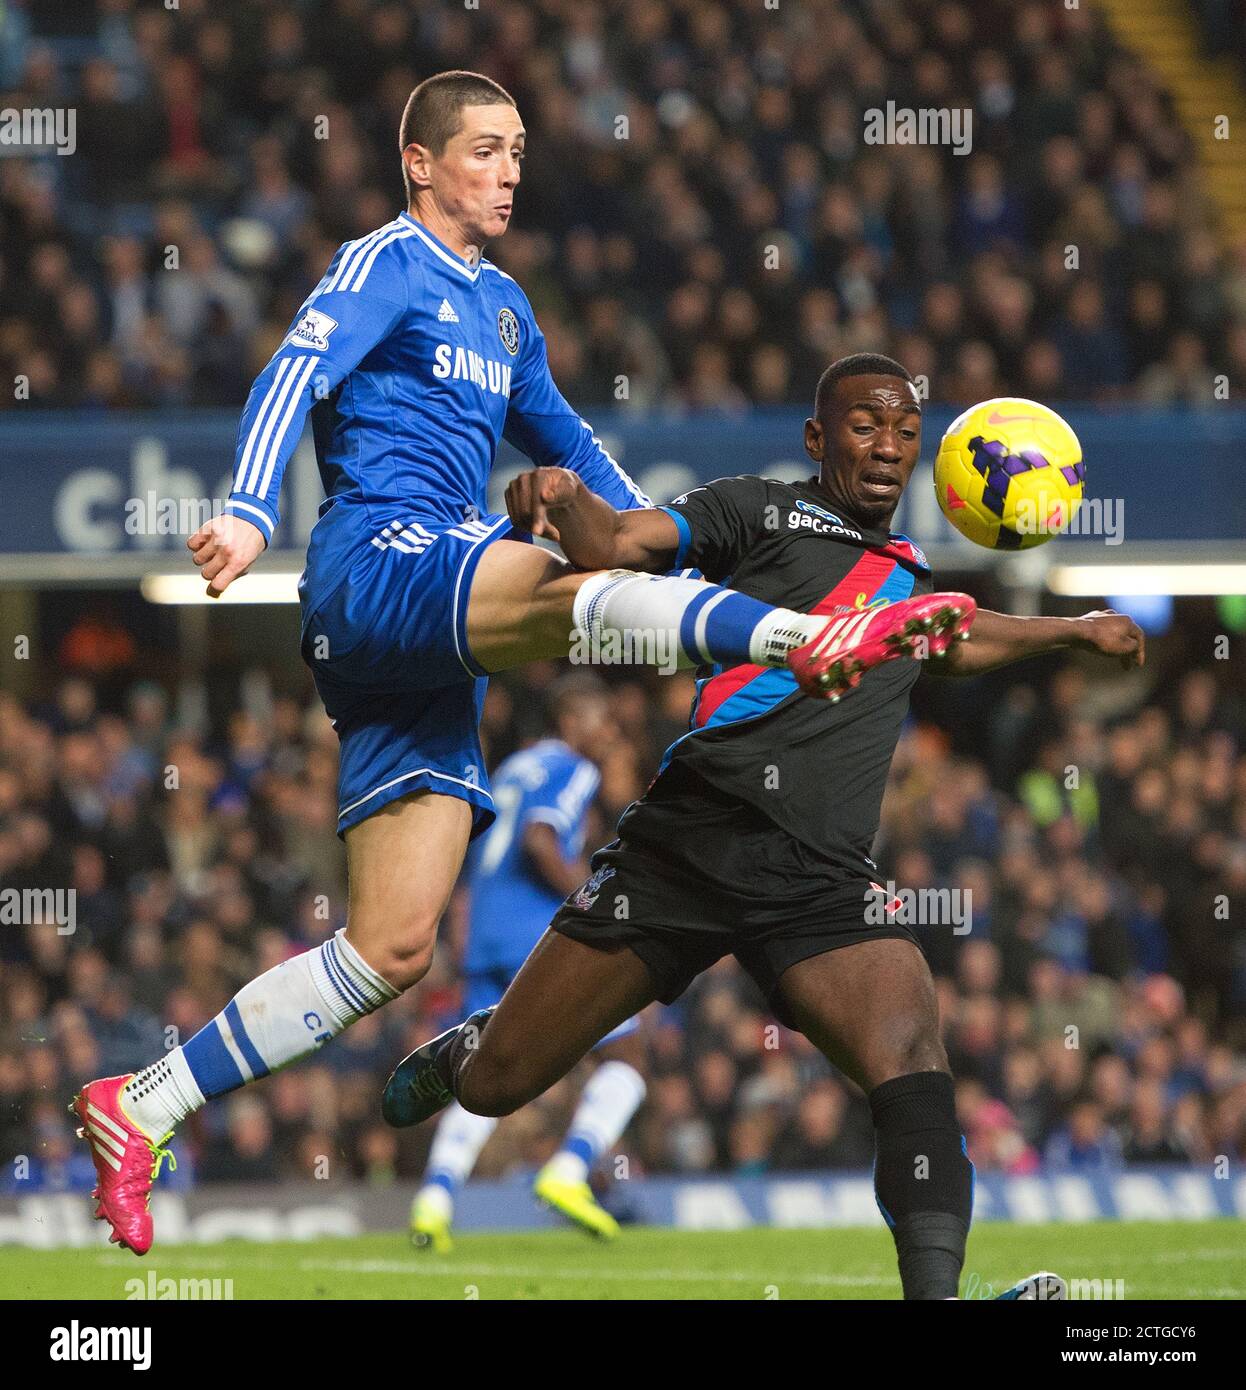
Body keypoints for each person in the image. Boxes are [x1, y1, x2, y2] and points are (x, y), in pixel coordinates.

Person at [73, 74, 963, 1257]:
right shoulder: (382, 262)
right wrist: (245, 508)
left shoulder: (503, 311)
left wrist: (660, 533)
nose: (506, 171)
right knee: (561, 588)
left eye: (518, 151)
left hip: (423, 647)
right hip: (381, 556)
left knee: (391, 947)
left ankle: (145, 1103)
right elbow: (291, 370)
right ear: (420, 163)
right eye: (484, 150)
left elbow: (567, 437)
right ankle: (807, 638)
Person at [382, 352, 1145, 1300]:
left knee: (911, 1060)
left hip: (819, 880)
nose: (888, 447)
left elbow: (953, 632)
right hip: (689, 843)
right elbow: (620, 543)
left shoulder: (907, 577)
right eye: (865, 426)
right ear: (818, 439)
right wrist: (560, 495)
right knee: (499, 1084)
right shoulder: (758, 509)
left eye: (905, 432)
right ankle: (469, 1045)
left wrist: (1070, 629)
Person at [410, 674, 646, 1251]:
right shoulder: (572, 767)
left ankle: (435, 1197)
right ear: (571, 722)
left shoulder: (515, 766)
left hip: (485, 933)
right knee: (629, 1054)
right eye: (602, 723)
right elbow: (540, 840)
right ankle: (569, 1171)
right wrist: (593, 904)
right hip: (533, 934)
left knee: (487, 1068)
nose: (610, 735)